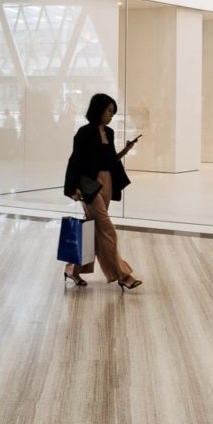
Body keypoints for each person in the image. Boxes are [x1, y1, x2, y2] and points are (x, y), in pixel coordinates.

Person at [62, 93, 142, 291]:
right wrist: (72, 188)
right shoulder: (84, 132)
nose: (111, 115)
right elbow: (75, 161)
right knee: (107, 229)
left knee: (93, 228)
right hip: (89, 184)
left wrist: (126, 150)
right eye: (108, 111)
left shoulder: (110, 132)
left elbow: (109, 160)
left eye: (113, 112)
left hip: (107, 183)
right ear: (97, 110)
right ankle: (122, 274)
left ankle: (72, 269)